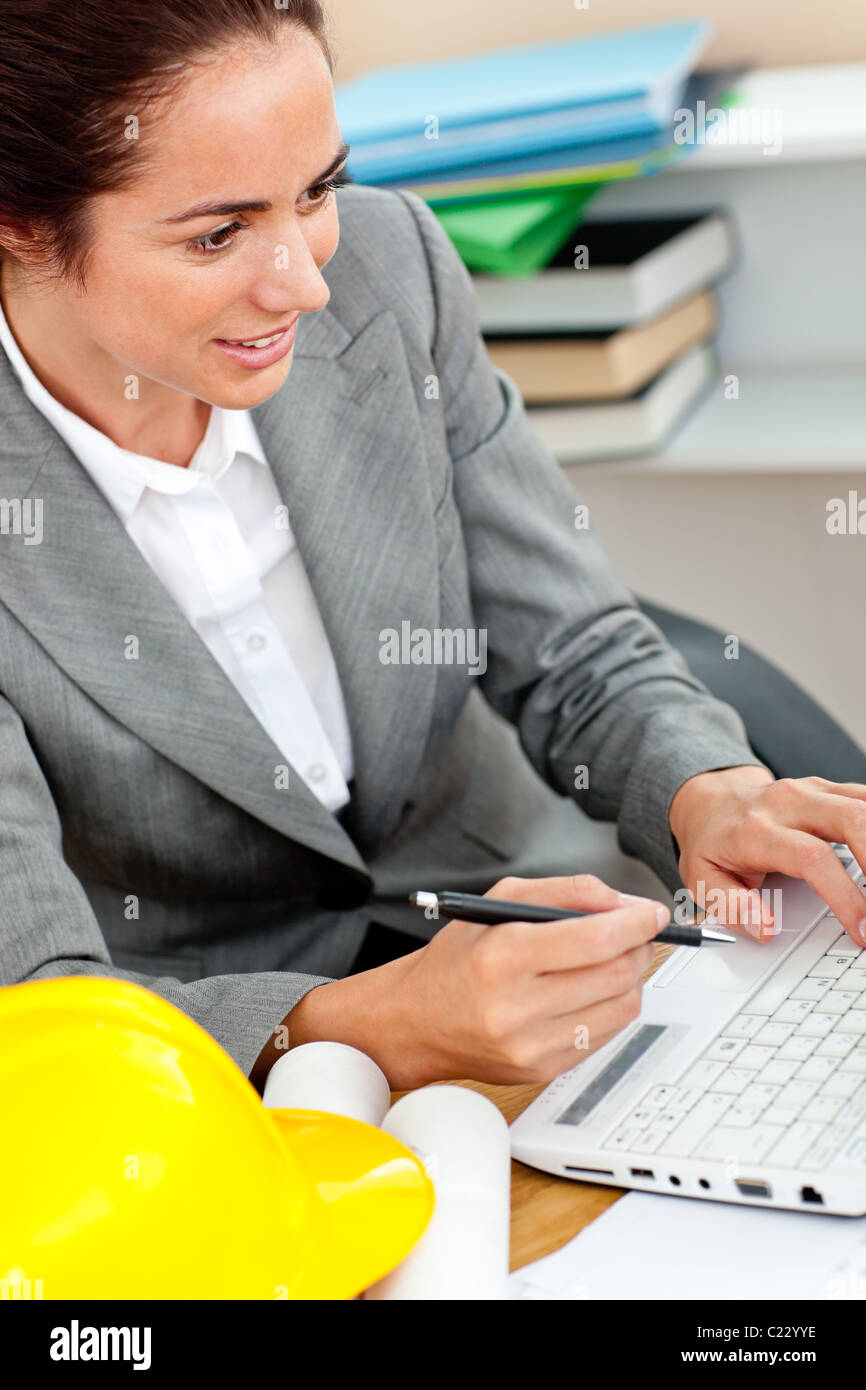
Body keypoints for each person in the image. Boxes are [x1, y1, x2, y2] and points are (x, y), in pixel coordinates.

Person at [1, 0, 864, 1097]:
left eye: (314, 189)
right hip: (201, 1077)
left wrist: (703, 788)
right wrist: (349, 1024)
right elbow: (38, 1007)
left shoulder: (387, 266)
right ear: (21, 221)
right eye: (217, 234)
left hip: (534, 924)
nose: (306, 282)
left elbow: (573, 648)